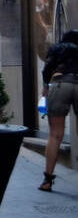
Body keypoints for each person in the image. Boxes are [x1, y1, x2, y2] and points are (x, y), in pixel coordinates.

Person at [39, 29, 78, 191]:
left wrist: (45, 88)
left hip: (59, 82)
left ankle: (47, 181)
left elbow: (47, 69)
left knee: (55, 134)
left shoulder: (57, 48)